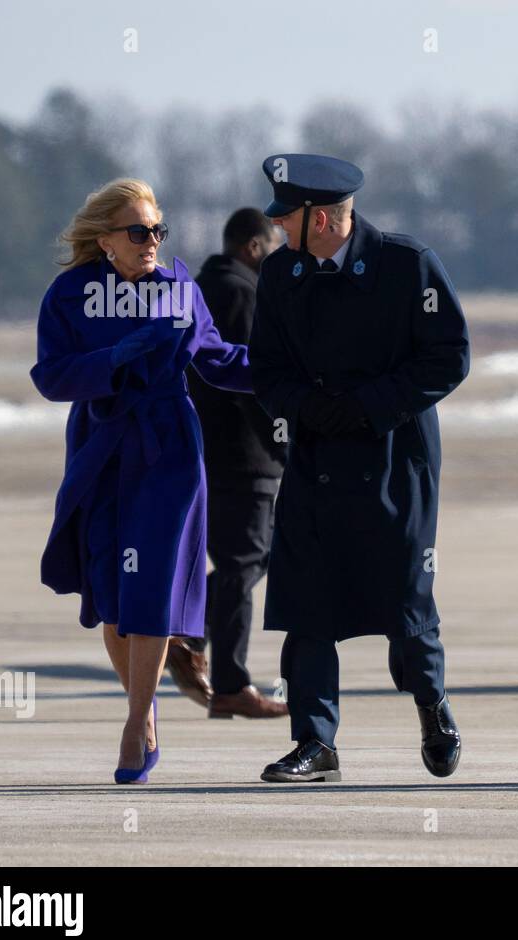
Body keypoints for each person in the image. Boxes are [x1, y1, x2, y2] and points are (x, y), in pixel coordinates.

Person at [248, 154, 471, 783]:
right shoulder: (280, 273)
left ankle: (432, 706)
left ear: (319, 219)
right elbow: (264, 369)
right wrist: (312, 408)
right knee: (307, 602)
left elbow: (449, 355)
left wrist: (370, 407)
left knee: (404, 599)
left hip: (395, 461)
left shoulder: (408, 265)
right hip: (316, 458)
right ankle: (316, 743)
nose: (277, 229)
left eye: (285, 217)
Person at [31, 178, 253, 782]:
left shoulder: (182, 289)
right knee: (111, 593)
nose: (151, 240)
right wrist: (113, 359)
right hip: (102, 446)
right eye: (138, 231)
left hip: (168, 451)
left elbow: (218, 359)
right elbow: (50, 377)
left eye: (158, 229)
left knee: (151, 584)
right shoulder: (70, 295)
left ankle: (136, 721)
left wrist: (293, 377)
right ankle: (147, 699)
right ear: (105, 239)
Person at [172, 209, 288, 719]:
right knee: (244, 564)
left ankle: (187, 638)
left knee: (244, 562)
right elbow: (248, 382)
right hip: (245, 455)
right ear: (253, 247)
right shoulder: (241, 293)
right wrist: (282, 443)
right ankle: (231, 682)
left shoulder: (200, 289)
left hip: (207, 452)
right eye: (274, 245)